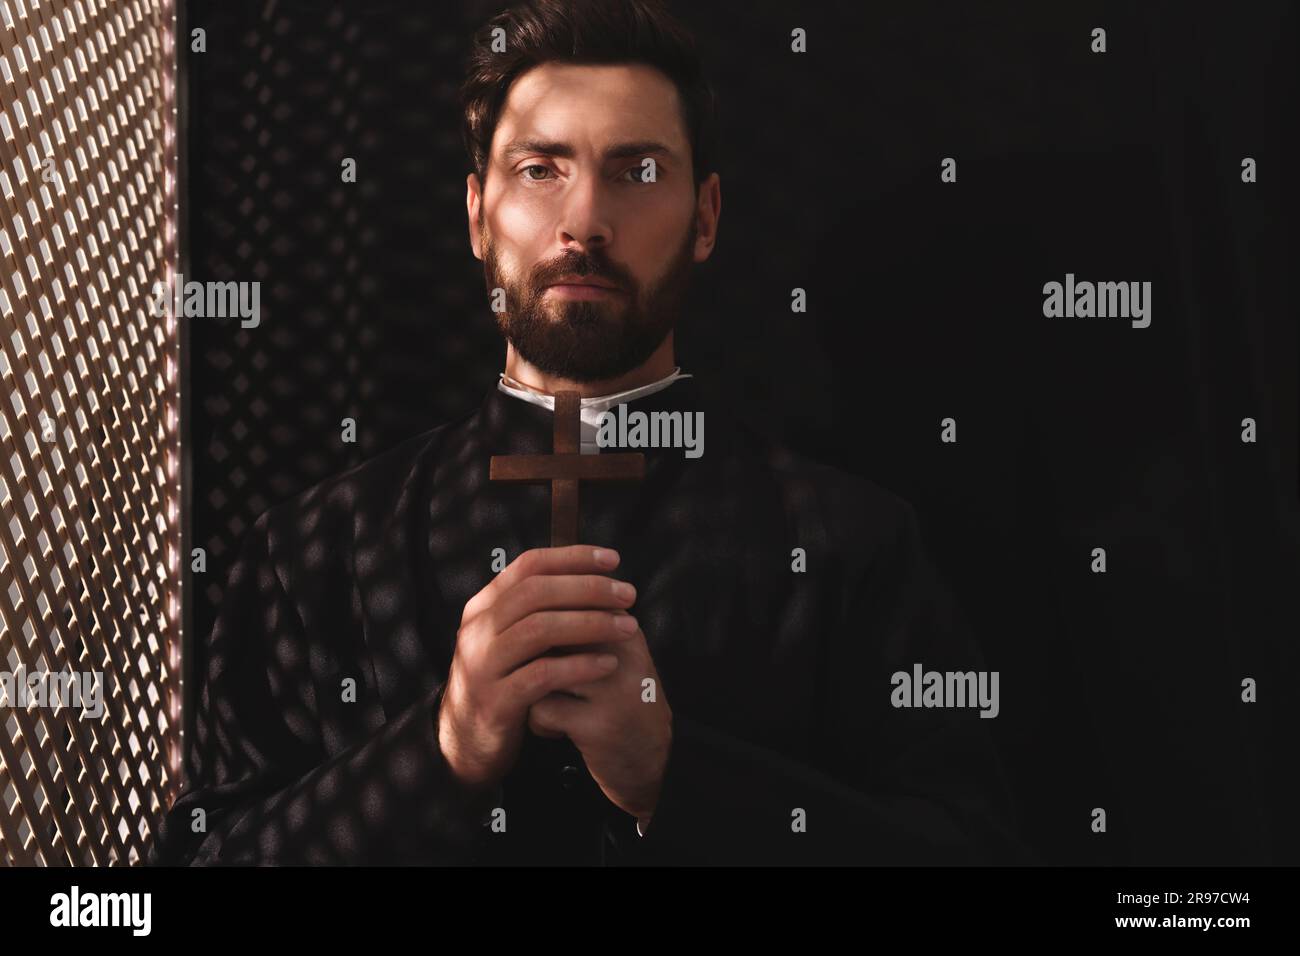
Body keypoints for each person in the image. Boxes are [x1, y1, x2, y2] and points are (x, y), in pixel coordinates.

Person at [150, 0, 1030, 866]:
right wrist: (441, 751)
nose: (585, 223)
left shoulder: (850, 548)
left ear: (706, 217)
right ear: (476, 215)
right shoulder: (314, 553)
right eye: (540, 168)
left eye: (637, 170)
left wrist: (674, 778)